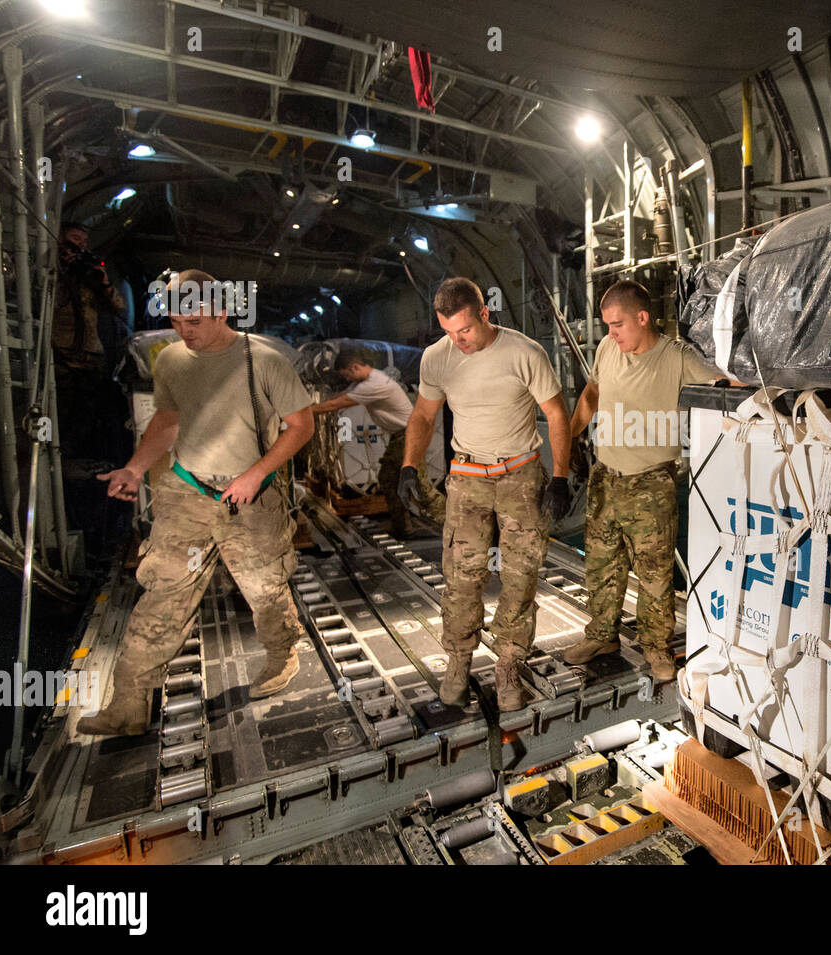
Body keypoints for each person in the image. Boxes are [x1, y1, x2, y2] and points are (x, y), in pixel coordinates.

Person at [79, 270, 316, 736]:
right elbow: (167, 421)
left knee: (265, 590)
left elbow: (301, 426)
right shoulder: (169, 360)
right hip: (186, 492)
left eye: (195, 320)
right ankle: (128, 702)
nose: (185, 330)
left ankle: (282, 654)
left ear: (222, 311)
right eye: (176, 320)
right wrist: (133, 466)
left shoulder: (263, 360)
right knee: (161, 594)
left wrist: (256, 473)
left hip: (248, 496)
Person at [400, 277, 572, 711]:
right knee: (462, 576)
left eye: (465, 331)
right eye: (448, 332)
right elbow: (423, 415)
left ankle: (509, 665)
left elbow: (555, 412)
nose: (457, 342)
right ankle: (458, 662)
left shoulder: (524, 352)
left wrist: (561, 476)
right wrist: (408, 466)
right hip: (468, 476)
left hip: (519, 474)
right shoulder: (436, 359)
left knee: (520, 575)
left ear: (484, 314)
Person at [564, 280, 729, 682]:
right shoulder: (607, 349)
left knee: (654, 575)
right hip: (606, 477)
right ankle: (601, 635)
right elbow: (591, 393)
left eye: (617, 324)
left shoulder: (677, 356)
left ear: (642, 317)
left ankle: (656, 649)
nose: (611, 333)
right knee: (602, 566)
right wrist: (568, 439)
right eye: (607, 325)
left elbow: (726, 384)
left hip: (651, 482)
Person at [309, 348, 447, 536]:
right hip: (400, 436)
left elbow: (335, 405)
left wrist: (302, 413)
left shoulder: (373, 384)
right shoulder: (365, 380)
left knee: (420, 486)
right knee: (389, 479)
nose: (347, 379)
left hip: (410, 435)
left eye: (347, 374)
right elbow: (338, 396)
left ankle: (455, 524)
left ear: (355, 367)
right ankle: (402, 527)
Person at [52, 221, 127, 461]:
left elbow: (118, 307)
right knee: (61, 407)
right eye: (75, 239)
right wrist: (63, 270)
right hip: (62, 350)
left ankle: (78, 455)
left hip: (91, 352)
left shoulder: (89, 276)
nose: (80, 246)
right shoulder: (52, 273)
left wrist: (101, 280)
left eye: (84, 242)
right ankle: (57, 454)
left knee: (88, 410)